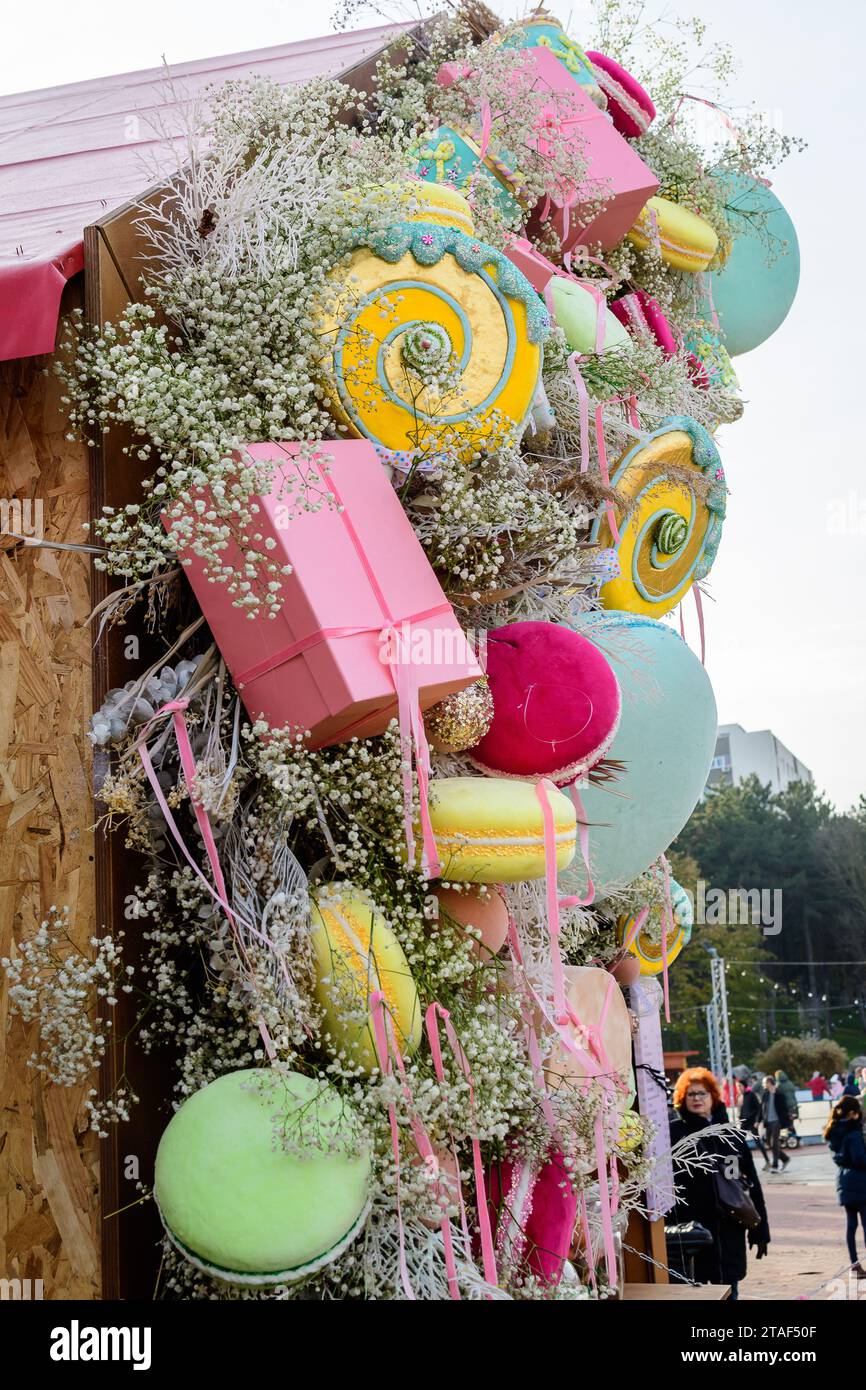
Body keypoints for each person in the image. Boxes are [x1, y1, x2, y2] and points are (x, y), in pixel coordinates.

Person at [669, 1067, 770, 1300]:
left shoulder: (730, 1136)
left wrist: (760, 1231)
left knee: (729, 1292)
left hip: (728, 1231)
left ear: (713, 1096)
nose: (696, 1099)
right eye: (691, 1094)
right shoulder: (675, 1134)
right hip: (692, 1233)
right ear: (682, 1098)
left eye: (702, 1093)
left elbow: (749, 1184)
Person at [824, 1096, 866, 1277]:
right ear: (852, 1113)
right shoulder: (853, 1134)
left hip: (843, 1182)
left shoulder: (834, 1132)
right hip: (860, 1183)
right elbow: (860, 1159)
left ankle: (854, 1264)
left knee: (851, 1225)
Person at [760, 1074, 791, 1170]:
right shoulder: (765, 1095)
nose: (763, 1085)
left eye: (764, 1083)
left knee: (774, 1143)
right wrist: (759, 1120)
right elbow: (762, 1109)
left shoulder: (779, 1094)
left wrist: (784, 1121)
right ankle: (785, 1159)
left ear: (769, 1083)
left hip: (776, 1122)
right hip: (768, 1122)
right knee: (768, 1142)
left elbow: (784, 1109)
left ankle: (775, 1165)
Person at [739, 1079, 770, 1168]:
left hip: (752, 1123)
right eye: (737, 1086)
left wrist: (757, 1121)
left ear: (744, 1086)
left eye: (740, 1086)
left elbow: (758, 1108)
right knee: (739, 1142)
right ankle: (741, 1163)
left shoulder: (751, 1095)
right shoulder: (741, 1096)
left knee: (758, 1143)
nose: (738, 1088)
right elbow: (743, 1110)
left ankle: (767, 1161)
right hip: (744, 1123)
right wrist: (740, 1118)